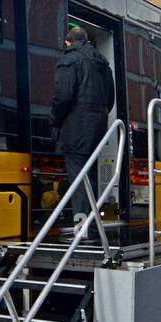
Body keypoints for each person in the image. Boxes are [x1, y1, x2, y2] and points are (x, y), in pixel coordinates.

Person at [51, 26, 114, 229]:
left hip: (76, 126)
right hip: (99, 125)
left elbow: (63, 96)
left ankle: (82, 229)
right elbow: (110, 99)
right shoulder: (103, 63)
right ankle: (92, 226)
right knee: (90, 176)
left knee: (78, 177)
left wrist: (54, 119)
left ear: (68, 42)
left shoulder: (69, 59)